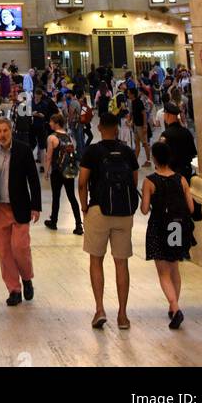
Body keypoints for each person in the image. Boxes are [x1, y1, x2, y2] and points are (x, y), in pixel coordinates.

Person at [78, 110, 140, 330]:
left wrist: (84, 207)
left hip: (99, 210)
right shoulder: (127, 151)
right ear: (116, 129)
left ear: (99, 128)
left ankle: (100, 309)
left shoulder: (92, 151)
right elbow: (134, 181)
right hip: (123, 213)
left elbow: (82, 182)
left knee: (96, 260)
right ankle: (122, 315)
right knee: (121, 263)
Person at [0, 116, 41, 305]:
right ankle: (14, 289)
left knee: (20, 247)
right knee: (5, 252)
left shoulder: (23, 150)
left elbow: (33, 179)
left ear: (11, 131)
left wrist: (36, 206)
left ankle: (27, 277)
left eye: (5, 131)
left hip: (20, 207)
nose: (2, 135)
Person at [141, 139, 195, 329]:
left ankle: (175, 306)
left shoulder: (149, 181)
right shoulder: (180, 179)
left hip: (158, 227)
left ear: (154, 158)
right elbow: (190, 207)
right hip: (178, 226)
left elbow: (145, 209)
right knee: (174, 268)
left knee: (163, 272)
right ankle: (174, 307)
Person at [43, 111, 83, 235]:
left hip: (57, 171)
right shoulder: (69, 136)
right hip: (68, 170)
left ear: (56, 124)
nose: (49, 124)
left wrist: (46, 171)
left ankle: (54, 221)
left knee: (56, 197)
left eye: (51, 122)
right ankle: (78, 225)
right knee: (72, 197)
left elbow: (48, 157)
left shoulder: (52, 138)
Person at [161, 103, 197, 182]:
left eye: (164, 114)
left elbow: (160, 158)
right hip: (186, 173)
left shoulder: (165, 135)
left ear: (168, 115)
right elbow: (193, 153)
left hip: (171, 176)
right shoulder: (187, 132)